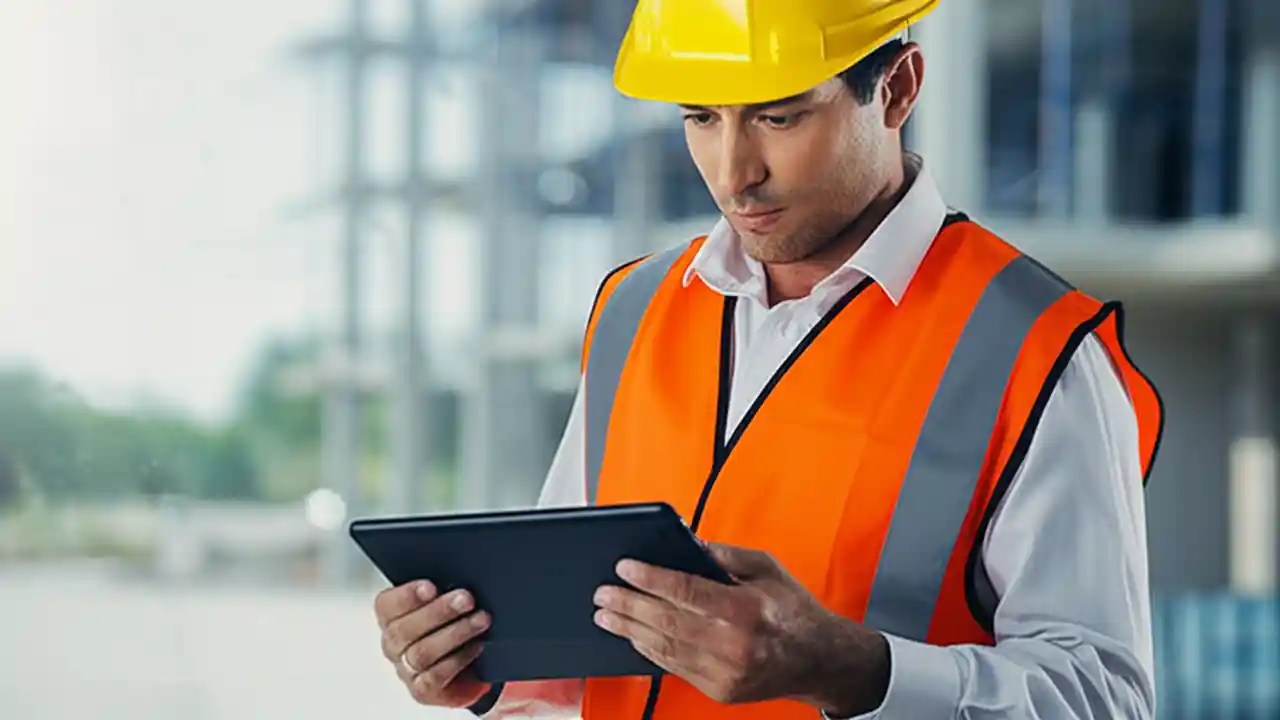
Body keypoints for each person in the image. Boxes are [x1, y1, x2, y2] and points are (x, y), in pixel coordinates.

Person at [372, 0, 1164, 718]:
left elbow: (1104, 698)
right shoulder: (631, 312)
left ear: (896, 89)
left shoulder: (1034, 346)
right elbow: (577, 662)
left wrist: (853, 670)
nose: (732, 172)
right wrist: (491, 664)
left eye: (779, 118)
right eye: (700, 117)